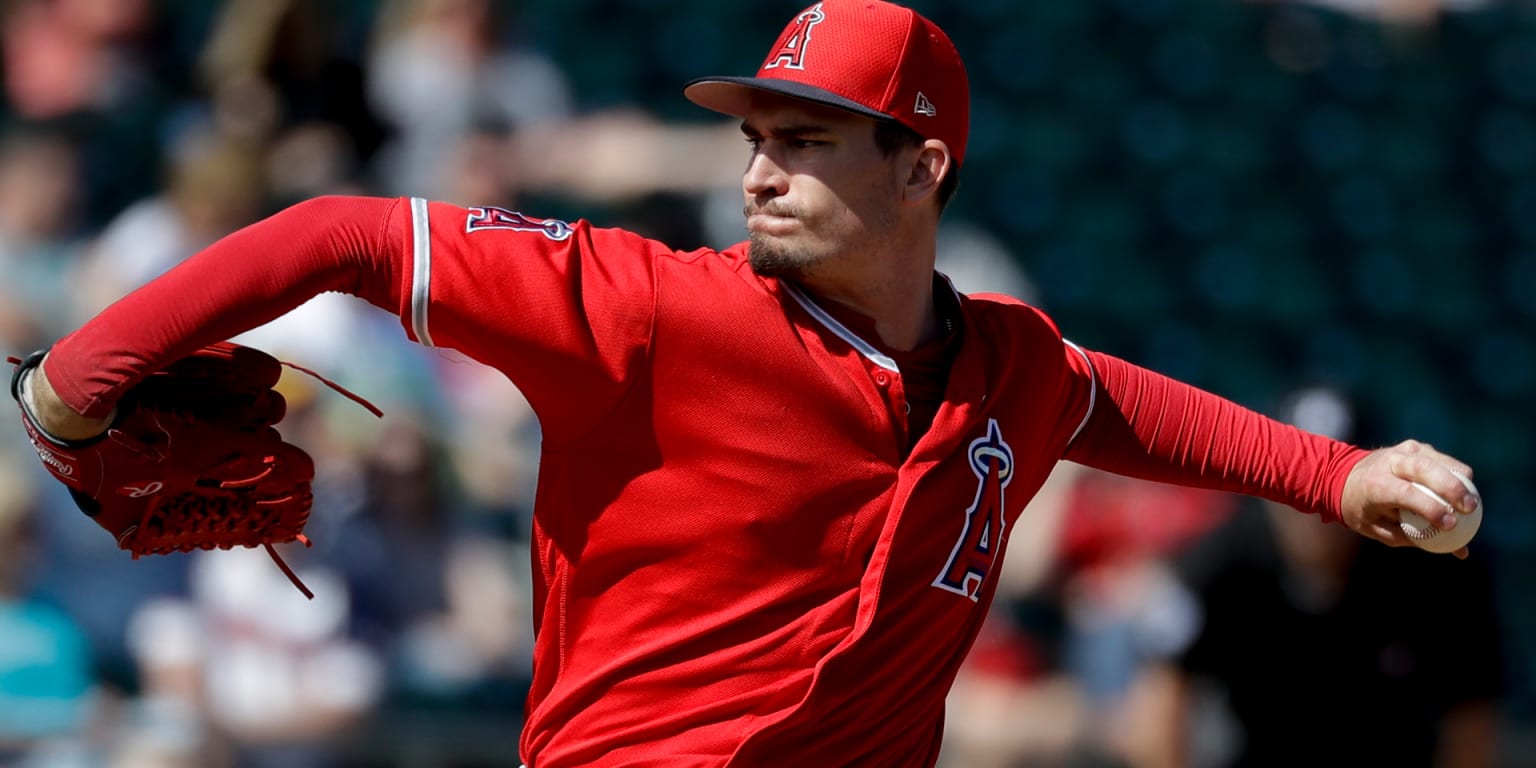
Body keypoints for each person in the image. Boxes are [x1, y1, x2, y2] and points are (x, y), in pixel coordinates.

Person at [11, 1, 1485, 766]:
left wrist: (1336, 477)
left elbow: (1127, 407)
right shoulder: (643, 305)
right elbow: (340, 232)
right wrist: (75, 385)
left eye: (812, 138)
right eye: (759, 135)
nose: (763, 168)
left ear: (922, 168)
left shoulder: (1008, 370)